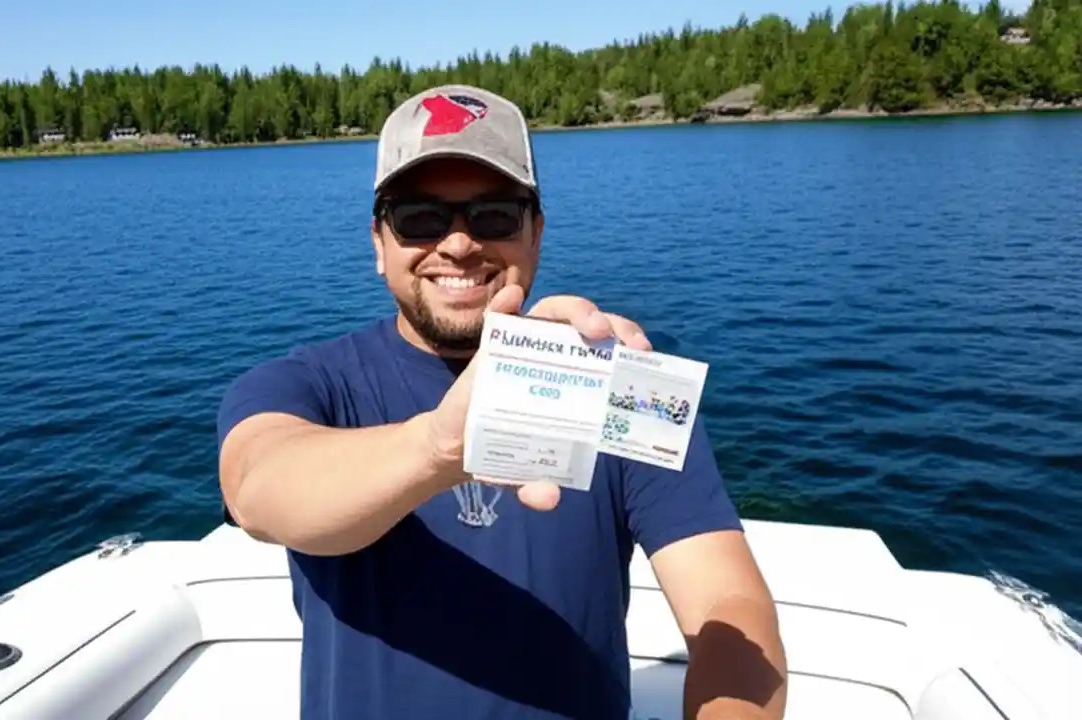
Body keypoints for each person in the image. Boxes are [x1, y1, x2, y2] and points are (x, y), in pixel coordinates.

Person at [216, 84, 787, 720]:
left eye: (493, 216)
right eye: (419, 218)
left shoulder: (620, 385)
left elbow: (728, 605)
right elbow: (258, 488)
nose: (458, 244)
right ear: (379, 242)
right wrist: (442, 446)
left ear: (535, 234)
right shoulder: (306, 384)